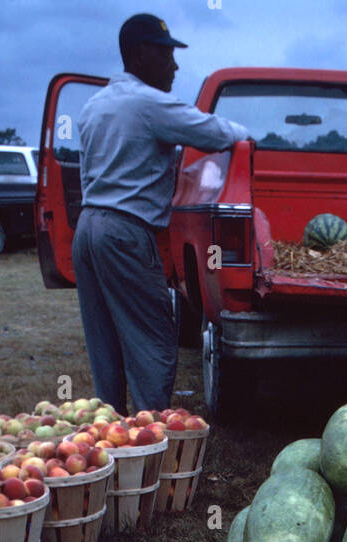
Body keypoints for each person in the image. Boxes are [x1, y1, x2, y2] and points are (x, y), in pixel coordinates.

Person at [73, 13, 249, 414]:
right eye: (166, 54)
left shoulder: (94, 105)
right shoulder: (149, 103)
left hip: (88, 228)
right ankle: (150, 435)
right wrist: (251, 137)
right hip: (125, 231)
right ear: (139, 56)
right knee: (153, 339)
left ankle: (111, 436)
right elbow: (217, 133)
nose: (175, 65)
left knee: (105, 344)